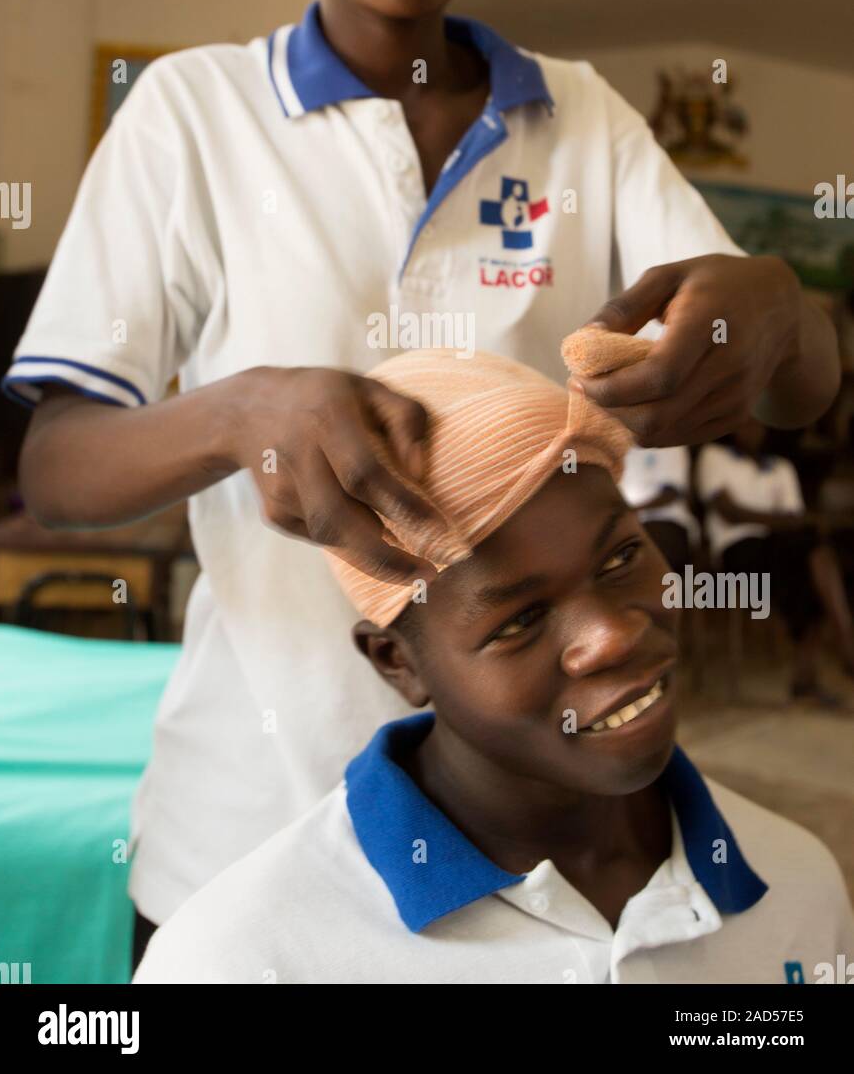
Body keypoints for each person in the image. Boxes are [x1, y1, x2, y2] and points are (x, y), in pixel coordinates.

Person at [2, 0, 840, 968]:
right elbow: (56, 466)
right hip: (246, 817)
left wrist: (781, 313)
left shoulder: (583, 122)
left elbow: (789, 383)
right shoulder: (192, 116)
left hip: (537, 824)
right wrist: (241, 408)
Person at [132, 329, 854, 984]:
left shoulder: (795, 885)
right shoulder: (244, 958)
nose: (611, 635)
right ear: (397, 663)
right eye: (521, 619)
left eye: (623, 556)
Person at [695, 418, 854, 701]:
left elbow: (793, 519)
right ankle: (840, 645)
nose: (751, 430)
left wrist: (778, 522)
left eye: (757, 425)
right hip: (737, 548)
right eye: (745, 423)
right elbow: (730, 512)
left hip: (780, 548)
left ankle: (818, 665)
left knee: (813, 565)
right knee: (809, 561)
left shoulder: (781, 467)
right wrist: (778, 520)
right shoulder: (714, 457)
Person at [618, 445, 698, 578]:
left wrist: (630, 510)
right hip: (630, 523)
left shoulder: (670, 445)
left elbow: (671, 493)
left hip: (666, 520)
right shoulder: (620, 450)